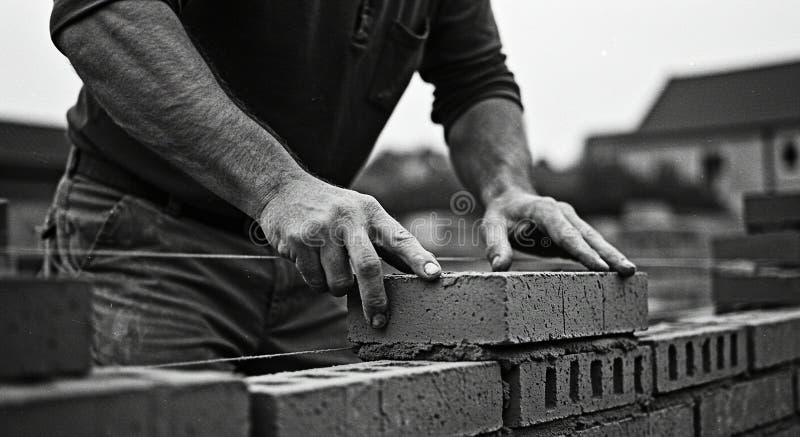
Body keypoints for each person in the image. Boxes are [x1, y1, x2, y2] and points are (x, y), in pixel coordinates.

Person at [44, 0, 636, 373]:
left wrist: (506, 185)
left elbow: (475, 78)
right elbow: (101, 14)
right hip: (153, 244)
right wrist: (276, 187)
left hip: (316, 263)